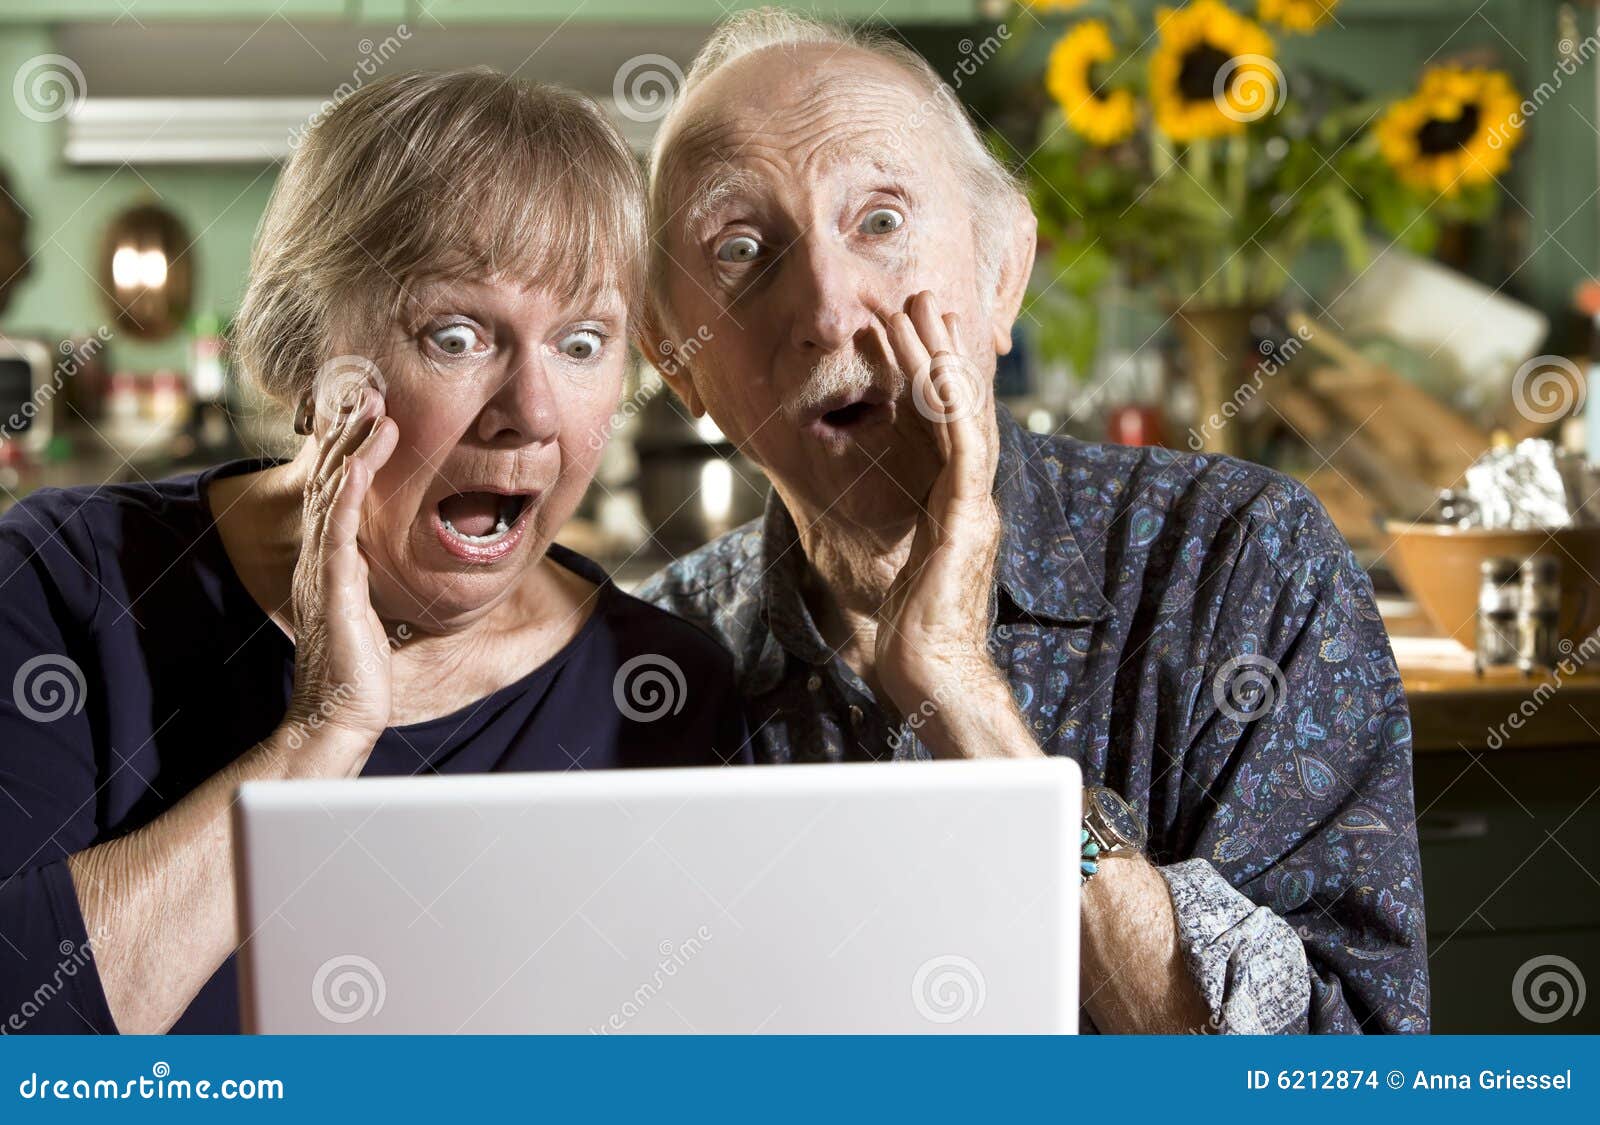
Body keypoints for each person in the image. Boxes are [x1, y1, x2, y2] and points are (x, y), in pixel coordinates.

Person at [638, 10, 1428, 1034]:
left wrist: (963, 695)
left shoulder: (1242, 561)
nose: (828, 309)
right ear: (672, 356)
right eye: (742, 245)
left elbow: (1337, 1086)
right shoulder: (647, 660)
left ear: (1002, 271)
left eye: (879, 220)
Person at [0, 68, 748, 1036]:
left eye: (580, 342)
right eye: (455, 334)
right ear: (302, 354)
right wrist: (324, 735)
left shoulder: (659, 687)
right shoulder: (59, 582)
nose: (529, 413)